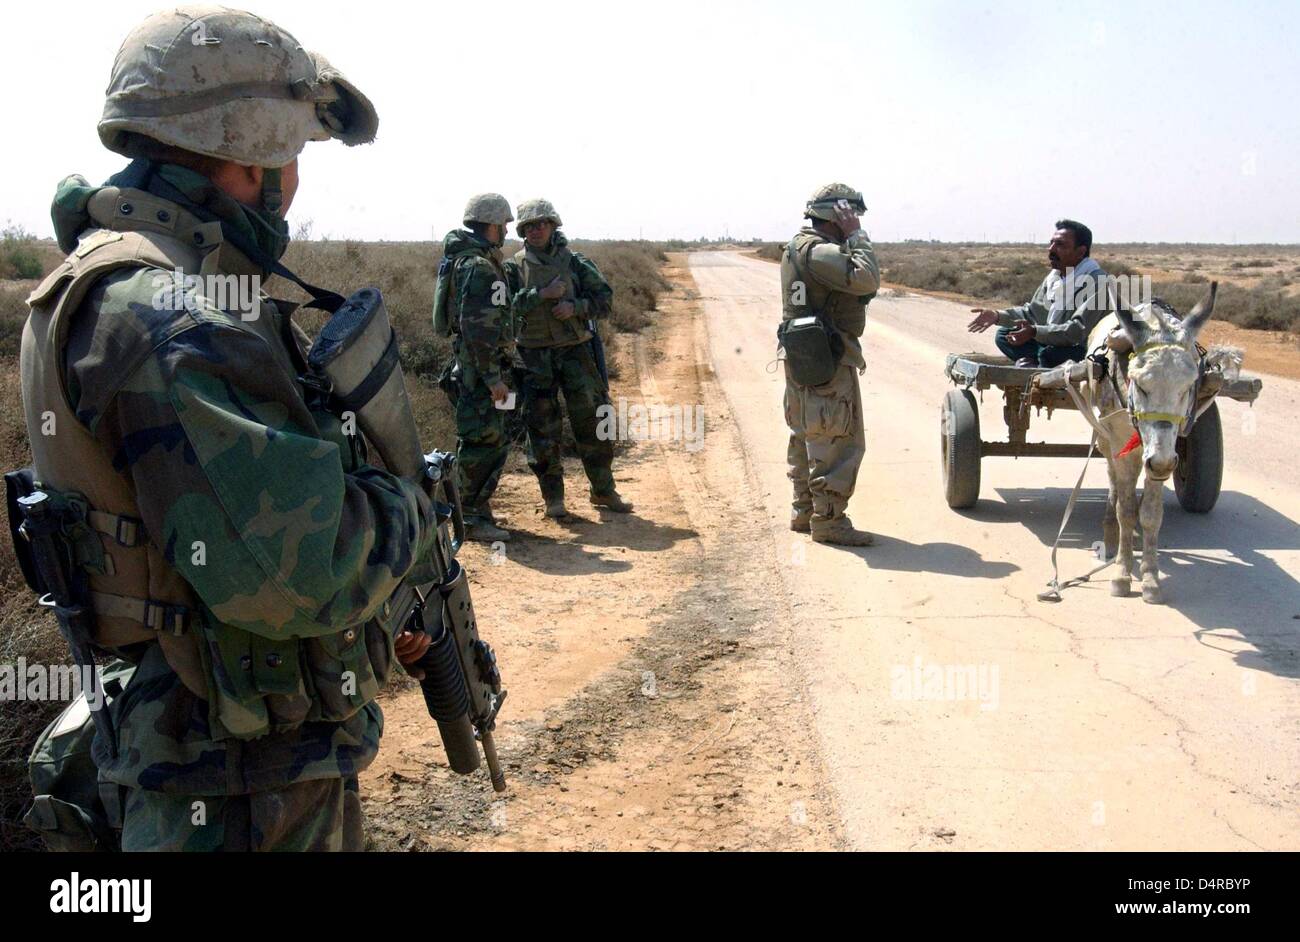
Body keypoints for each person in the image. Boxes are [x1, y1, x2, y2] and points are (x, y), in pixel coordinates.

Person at [18, 6, 440, 851]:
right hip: (234, 773)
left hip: (183, 741)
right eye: (295, 151)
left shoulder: (100, 277)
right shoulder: (180, 317)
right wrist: (415, 505)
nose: (296, 175)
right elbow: (299, 577)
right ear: (253, 153)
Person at [504, 199, 632, 519]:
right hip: (533, 355)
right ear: (522, 231)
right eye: (529, 226)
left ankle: (603, 489)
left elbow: (604, 301)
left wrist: (575, 307)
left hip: (575, 350)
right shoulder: (512, 267)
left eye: (541, 224)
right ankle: (553, 500)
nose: (536, 231)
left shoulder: (575, 263)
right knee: (542, 428)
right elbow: (502, 310)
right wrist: (539, 296)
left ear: (553, 225)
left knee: (594, 421)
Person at [781, 183, 880, 546]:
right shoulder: (821, 251)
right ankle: (829, 520)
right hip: (830, 358)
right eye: (850, 215)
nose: (853, 221)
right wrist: (858, 236)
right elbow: (867, 279)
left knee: (807, 431)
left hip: (806, 356)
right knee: (837, 438)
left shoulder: (797, 248)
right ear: (837, 213)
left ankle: (804, 510)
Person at [441, 194, 517, 542]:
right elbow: (477, 328)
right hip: (481, 373)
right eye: (503, 224)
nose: (505, 230)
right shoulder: (479, 268)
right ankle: (469, 516)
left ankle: (474, 509)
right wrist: (492, 379)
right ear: (491, 224)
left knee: (489, 438)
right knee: (482, 441)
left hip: (477, 369)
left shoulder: (468, 262)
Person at [967, 219, 1109, 367]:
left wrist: (1035, 332)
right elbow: (1033, 313)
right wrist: (997, 316)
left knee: (1048, 354)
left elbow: (1077, 331)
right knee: (1004, 335)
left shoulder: (1098, 282)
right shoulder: (1055, 278)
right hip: (1052, 342)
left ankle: (1036, 368)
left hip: (1082, 350)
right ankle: (1035, 364)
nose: (1051, 249)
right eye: (1051, 243)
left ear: (1080, 252)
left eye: (1060, 244)